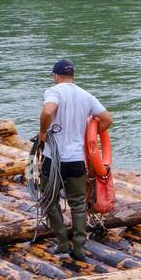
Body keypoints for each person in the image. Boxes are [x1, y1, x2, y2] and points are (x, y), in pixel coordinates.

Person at [36, 58, 113, 262]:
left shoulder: (53, 92)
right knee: (78, 204)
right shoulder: (86, 96)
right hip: (77, 160)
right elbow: (108, 119)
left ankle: (62, 242)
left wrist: (43, 133)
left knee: (49, 200)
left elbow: (48, 111)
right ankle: (79, 247)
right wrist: (90, 135)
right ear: (73, 76)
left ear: (56, 76)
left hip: (53, 159)